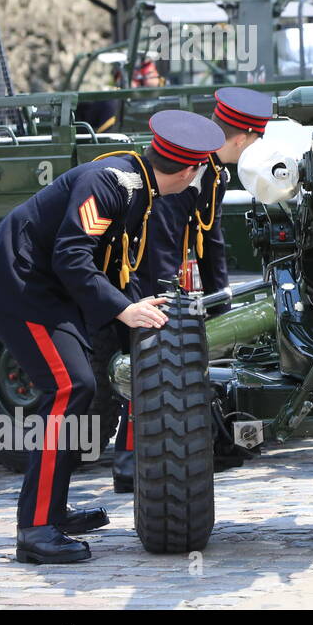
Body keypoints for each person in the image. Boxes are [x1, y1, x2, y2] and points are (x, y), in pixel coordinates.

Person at [0, 110, 224, 563]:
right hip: (21, 282)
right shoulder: (113, 184)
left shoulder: (137, 184)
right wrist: (125, 310)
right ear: (187, 170)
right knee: (69, 387)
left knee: (83, 387)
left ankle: (53, 511)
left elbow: (119, 263)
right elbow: (71, 257)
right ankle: (36, 529)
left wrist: (138, 313)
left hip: (46, 288)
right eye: (199, 172)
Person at [111, 88, 272, 493]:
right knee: (151, 360)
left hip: (157, 278)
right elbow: (156, 240)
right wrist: (165, 299)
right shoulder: (188, 167)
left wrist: (222, 298)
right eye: (257, 140)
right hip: (140, 280)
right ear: (241, 139)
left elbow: (210, 236)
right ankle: (131, 462)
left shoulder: (211, 170)